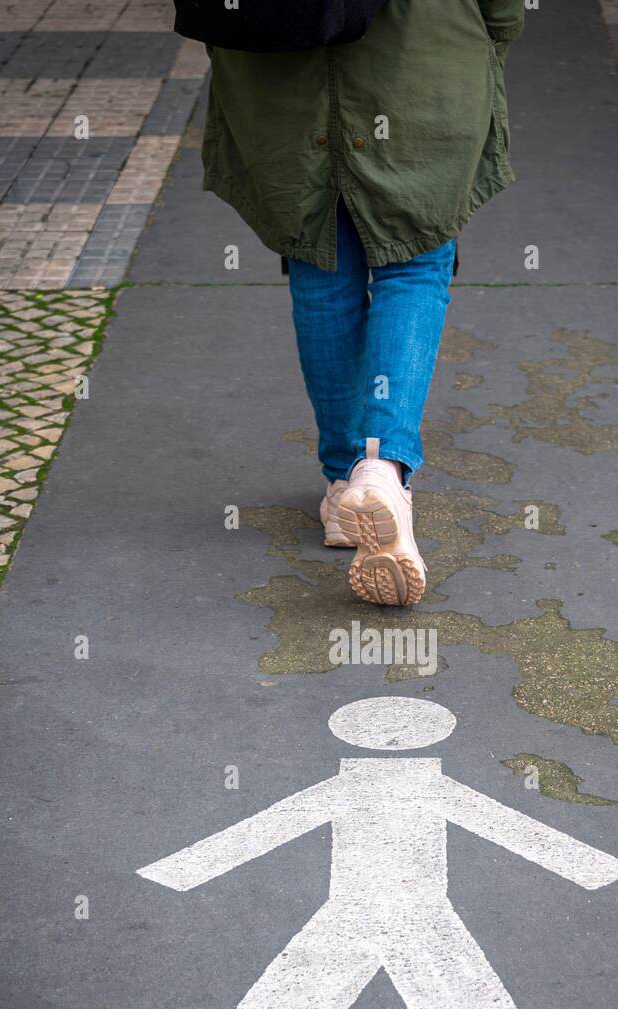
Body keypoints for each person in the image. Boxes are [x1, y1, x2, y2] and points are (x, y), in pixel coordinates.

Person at [202, 1, 524, 605]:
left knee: (319, 264)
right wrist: (498, 33)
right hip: (419, 59)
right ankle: (383, 467)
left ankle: (342, 481)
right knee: (416, 260)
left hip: (273, 67)